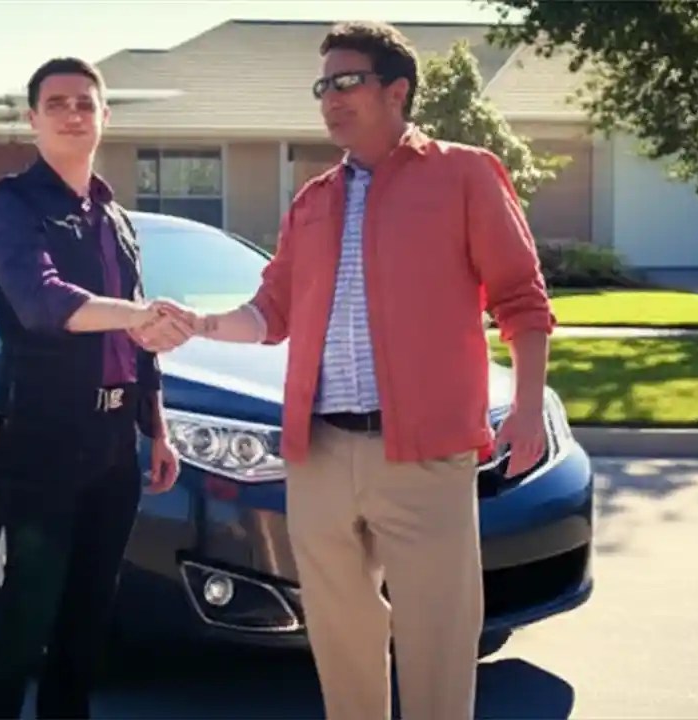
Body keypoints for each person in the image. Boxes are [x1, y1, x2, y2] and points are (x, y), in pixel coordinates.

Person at [136, 20, 556, 720]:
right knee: (338, 635)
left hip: (426, 453)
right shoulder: (313, 201)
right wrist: (200, 325)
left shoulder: (465, 175)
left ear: (397, 90)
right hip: (320, 453)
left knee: (438, 635)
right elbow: (271, 313)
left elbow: (521, 297)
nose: (330, 98)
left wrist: (527, 405)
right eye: (322, 86)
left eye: (346, 82)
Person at [0, 57, 194, 720]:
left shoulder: (115, 217)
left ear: (103, 117)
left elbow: (139, 341)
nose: (73, 114)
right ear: (32, 119)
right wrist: (136, 314)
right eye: (58, 103)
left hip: (112, 448)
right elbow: (41, 301)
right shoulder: (12, 206)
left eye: (85, 104)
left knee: (87, 623)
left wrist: (157, 428)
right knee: (26, 618)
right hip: (42, 444)